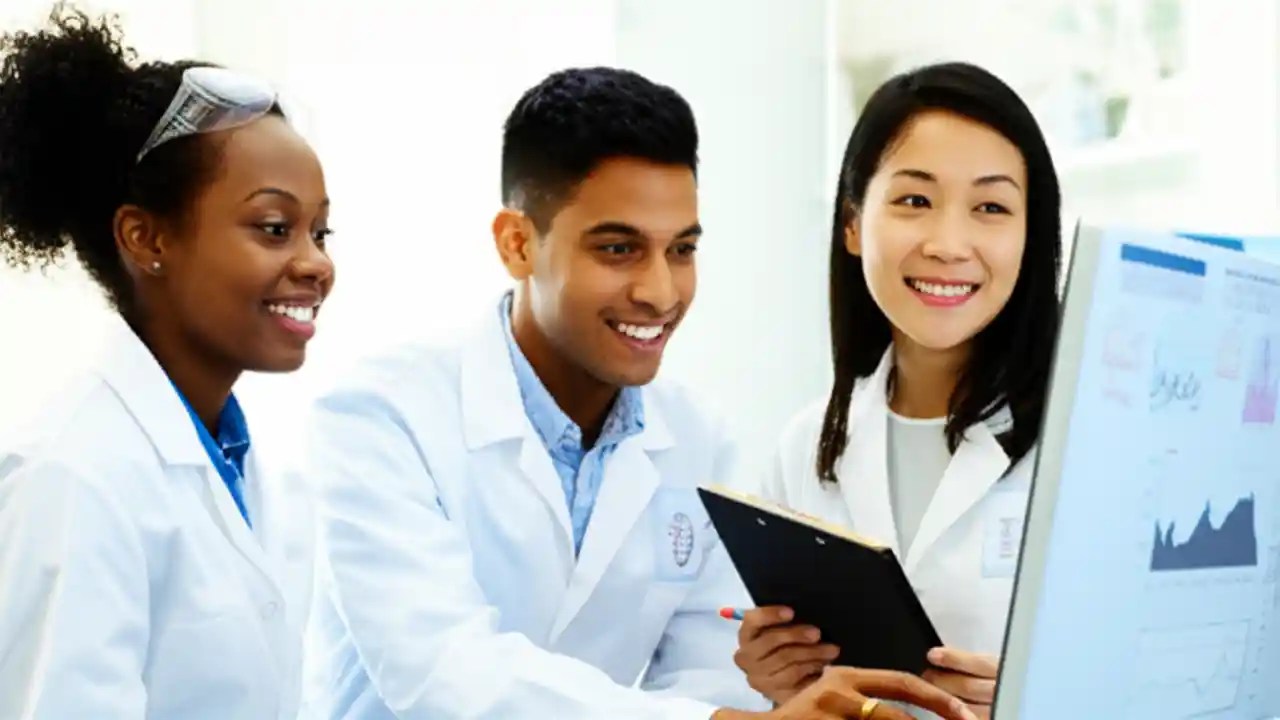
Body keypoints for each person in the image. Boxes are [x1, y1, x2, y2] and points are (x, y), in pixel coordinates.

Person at [300, 67, 976, 720]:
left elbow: (707, 673)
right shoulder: (381, 415)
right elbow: (441, 670)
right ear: (517, 244)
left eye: (681, 250)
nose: (660, 291)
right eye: (618, 249)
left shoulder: (699, 441)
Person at [0, 5, 334, 718]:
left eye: (321, 232)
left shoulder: (249, 470)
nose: (316, 264)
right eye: (275, 228)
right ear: (146, 239)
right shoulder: (76, 477)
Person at [730, 62, 1062, 720]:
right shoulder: (805, 446)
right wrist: (778, 684)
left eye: (991, 208)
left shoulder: (1083, 438)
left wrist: (1047, 698)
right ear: (853, 224)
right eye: (914, 201)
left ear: (1030, 236)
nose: (948, 245)